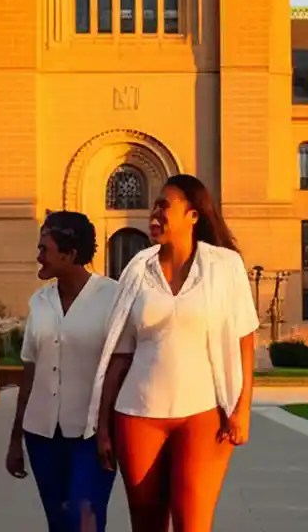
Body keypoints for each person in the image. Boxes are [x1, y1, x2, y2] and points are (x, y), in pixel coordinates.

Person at [92, 174, 259, 532]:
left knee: (192, 523)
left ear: (193, 215)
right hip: (137, 413)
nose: (155, 213)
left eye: (164, 205)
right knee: (146, 523)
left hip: (203, 414)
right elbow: (120, 352)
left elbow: (245, 337)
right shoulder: (138, 268)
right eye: (154, 205)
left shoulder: (224, 265)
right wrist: (103, 425)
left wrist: (242, 408)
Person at [6, 211, 120, 532]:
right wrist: (16, 438)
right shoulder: (39, 301)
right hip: (42, 435)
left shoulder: (112, 297)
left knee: (85, 519)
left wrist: (110, 430)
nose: (38, 256)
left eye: (45, 249)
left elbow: (120, 366)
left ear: (69, 255)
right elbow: (30, 370)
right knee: (59, 523)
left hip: (92, 434)